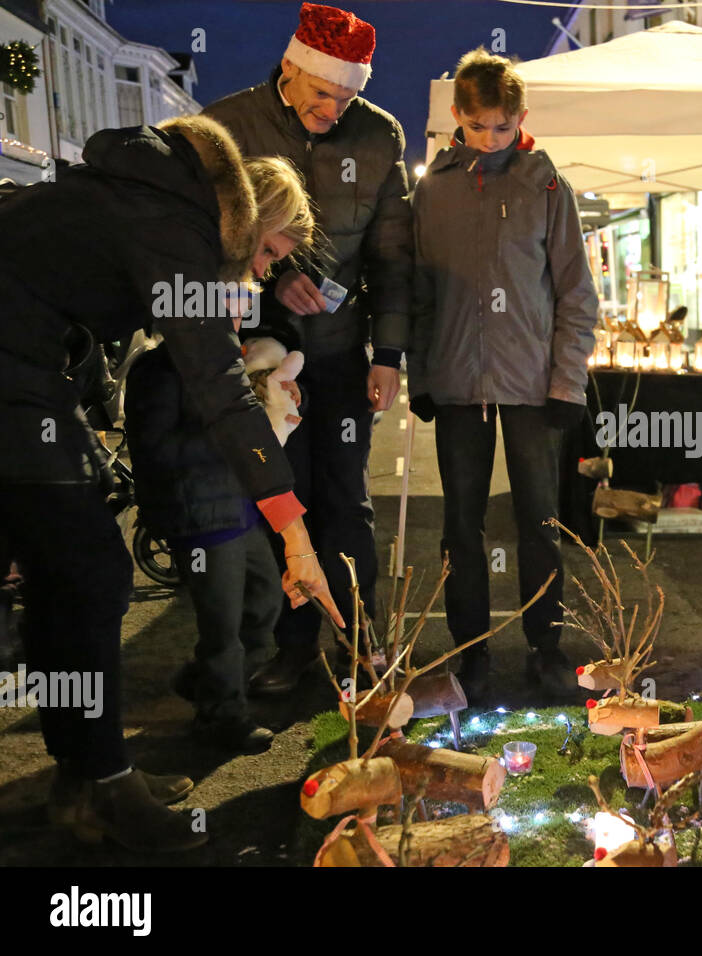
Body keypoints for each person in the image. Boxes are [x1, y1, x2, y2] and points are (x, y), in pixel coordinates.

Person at [0, 114, 344, 853]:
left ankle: (85, 776)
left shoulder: (162, 201)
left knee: (73, 574)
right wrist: (292, 527)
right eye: (270, 255)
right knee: (91, 574)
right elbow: (218, 384)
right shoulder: (178, 225)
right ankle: (104, 784)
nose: (262, 276)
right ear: (252, 222)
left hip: (26, 367)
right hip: (9, 370)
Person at [203, 3, 413, 695]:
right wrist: (274, 281)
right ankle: (292, 649)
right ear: (290, 69)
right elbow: (208, 238)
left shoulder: (380, 136)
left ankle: (362, 645)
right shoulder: (229, 125)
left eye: (347, 96)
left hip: (341, 348)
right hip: (261, 353)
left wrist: (389, 353)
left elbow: (391, 255)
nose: (334, 109)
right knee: (280, 496)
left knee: (346, 501)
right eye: (323, 93)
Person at [407, 48, 598, 703]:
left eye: (504, 126)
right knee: (461, 525)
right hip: (459, 386)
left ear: (521, 119)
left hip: (531, 387)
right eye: (480, 125)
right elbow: (420, 290)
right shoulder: (432, 190)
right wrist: (421, 374)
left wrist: (567, 382)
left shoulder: (545, 186)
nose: (491, 139)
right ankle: (470, 650)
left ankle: (546, 645)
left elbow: (576, 290)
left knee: (541, 520)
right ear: (458, 116)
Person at [126, 157, 315, 754]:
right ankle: (222, 716)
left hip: (233, 500)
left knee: (261, 600)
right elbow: (161, 432)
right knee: (222, 622)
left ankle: (207, 681)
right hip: (200, 508)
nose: (266, 270)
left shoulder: (221, 315)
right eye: (264, 253)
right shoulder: (178, 340)